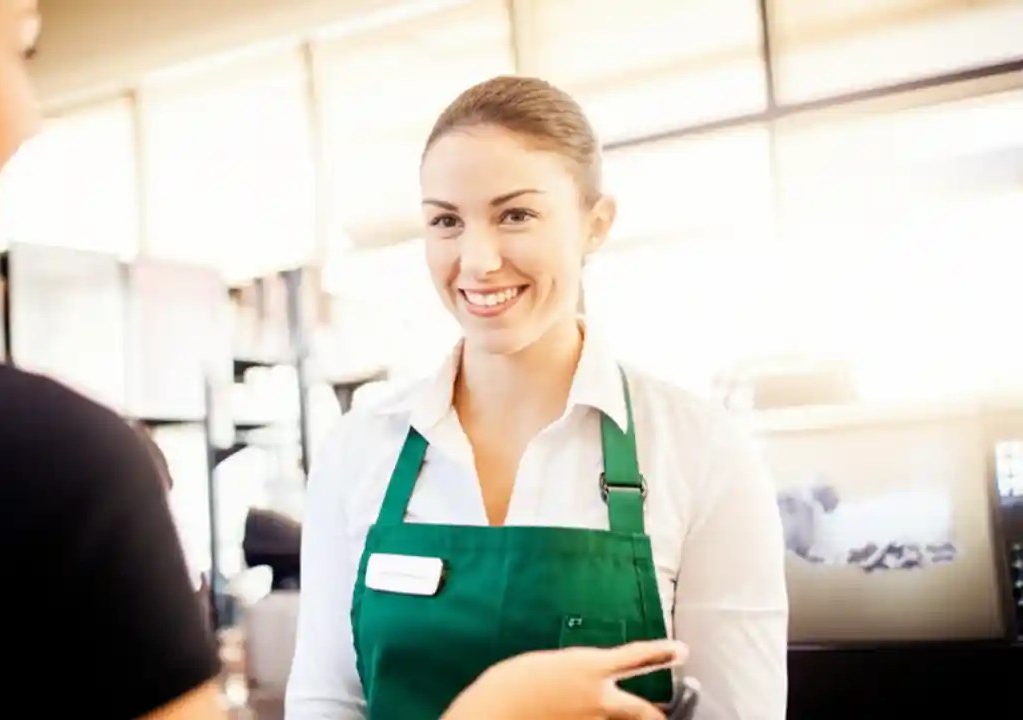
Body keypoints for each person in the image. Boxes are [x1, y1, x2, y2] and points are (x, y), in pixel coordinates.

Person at [0, 4, 689, 719]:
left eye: (516, 213)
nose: (31, 115)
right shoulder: (46, 474)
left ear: (595, 227)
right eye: (22, 46)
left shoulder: (690, 439)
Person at [286, 75, 789, 719]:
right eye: (446, 221)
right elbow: (327, 705)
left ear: (595, 224)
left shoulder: (701, 450)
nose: (477, 260)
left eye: (514, 215)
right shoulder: (358, 451)